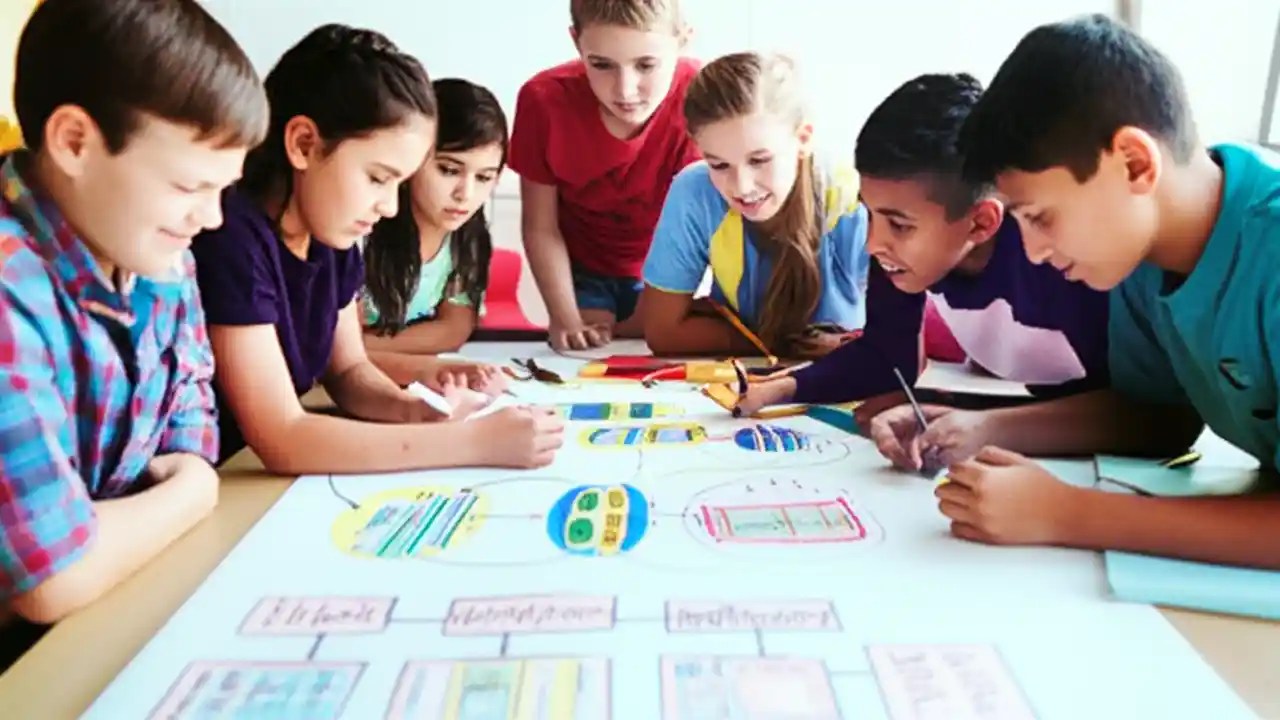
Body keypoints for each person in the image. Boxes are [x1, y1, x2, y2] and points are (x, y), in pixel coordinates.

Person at [922, 14, 1280, 569]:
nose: (1035, 252)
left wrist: (1067, 514)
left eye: (1040, 217)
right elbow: (1157, 417)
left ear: (1135, 163)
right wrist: (984, 429)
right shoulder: (1143, 260)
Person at [192, 25, 564, 475]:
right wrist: (470, 441)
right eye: (377, 178)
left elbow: (350, 372)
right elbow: (282, 436)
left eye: (398, 183)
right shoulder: (231, 237)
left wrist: (417, 411)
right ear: (303, 144)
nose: (389, 208)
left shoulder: (330, 237)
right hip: (221, 480)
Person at [0, 0, 267, 623]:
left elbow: (192, 395)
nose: (212, 218)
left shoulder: (155, 251)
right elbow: (55, 578)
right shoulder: (12, 284)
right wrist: (193, 492)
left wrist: (172, 480)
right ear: (74, 142)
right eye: (188, 186)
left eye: (223, 188)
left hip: (124, 590)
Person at [735, 73, 1110, 431]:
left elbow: (1131, 408)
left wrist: (974, 420)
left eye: (899, 225)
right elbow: (886, 358)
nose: (872, 243)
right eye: (868, 212)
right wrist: (783, 388)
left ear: (980, 224)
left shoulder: (1060, 260)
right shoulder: (899, 252)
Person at [640, 51, 869, 359]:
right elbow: (663, 332)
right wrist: (790, 344)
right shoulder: (695, 191)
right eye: (719, 164)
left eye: (759, 160)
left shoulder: (851, 199)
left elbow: (899, 343)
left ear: (803, 139)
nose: (742, 187)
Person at [508, 0, 701, 351]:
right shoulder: (543, 100)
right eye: (601, 65)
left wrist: (655, 309)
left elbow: (699, 227)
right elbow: (541, 226)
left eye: (646, 65)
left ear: (683, 40)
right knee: (585, 352)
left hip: (667, 268)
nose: (625, 90)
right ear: (576, 42)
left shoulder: (701, 96)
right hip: (581, 269)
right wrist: (564, 317)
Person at [361, 78, 506, 368]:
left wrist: (362, 345)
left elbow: (453, 330)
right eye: (449, 170)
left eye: (484, 177)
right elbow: (334, 348)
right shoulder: (363, 226)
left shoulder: (466, 238)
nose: (465, 194)